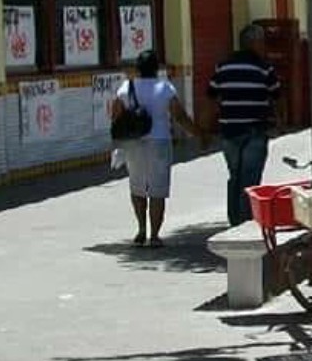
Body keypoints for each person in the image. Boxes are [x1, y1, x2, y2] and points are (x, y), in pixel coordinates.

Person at [112, 49, 199, 247]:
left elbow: (115, 114)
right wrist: (198, 133)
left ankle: (141, 229)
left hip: (133, 142)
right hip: (159, 142)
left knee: (137, 186)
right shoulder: (165, 88)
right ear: (156, 69)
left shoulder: (127, 87)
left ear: (137, 69)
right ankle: (154, 236)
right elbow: (179, 116)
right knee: (158, 189)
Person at [207, 24, 282, 226]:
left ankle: (234, 219)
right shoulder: (264, 68)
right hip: (255, 130)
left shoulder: (223, 66)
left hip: (229, 130)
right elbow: (276, 96)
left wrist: (209, 127)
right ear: (255, 43)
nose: (264, 46)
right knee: (250, 177)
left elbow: (212, 95)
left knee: (235, 175)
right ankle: (247, 220)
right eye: (262, 42)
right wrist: (278, 122)